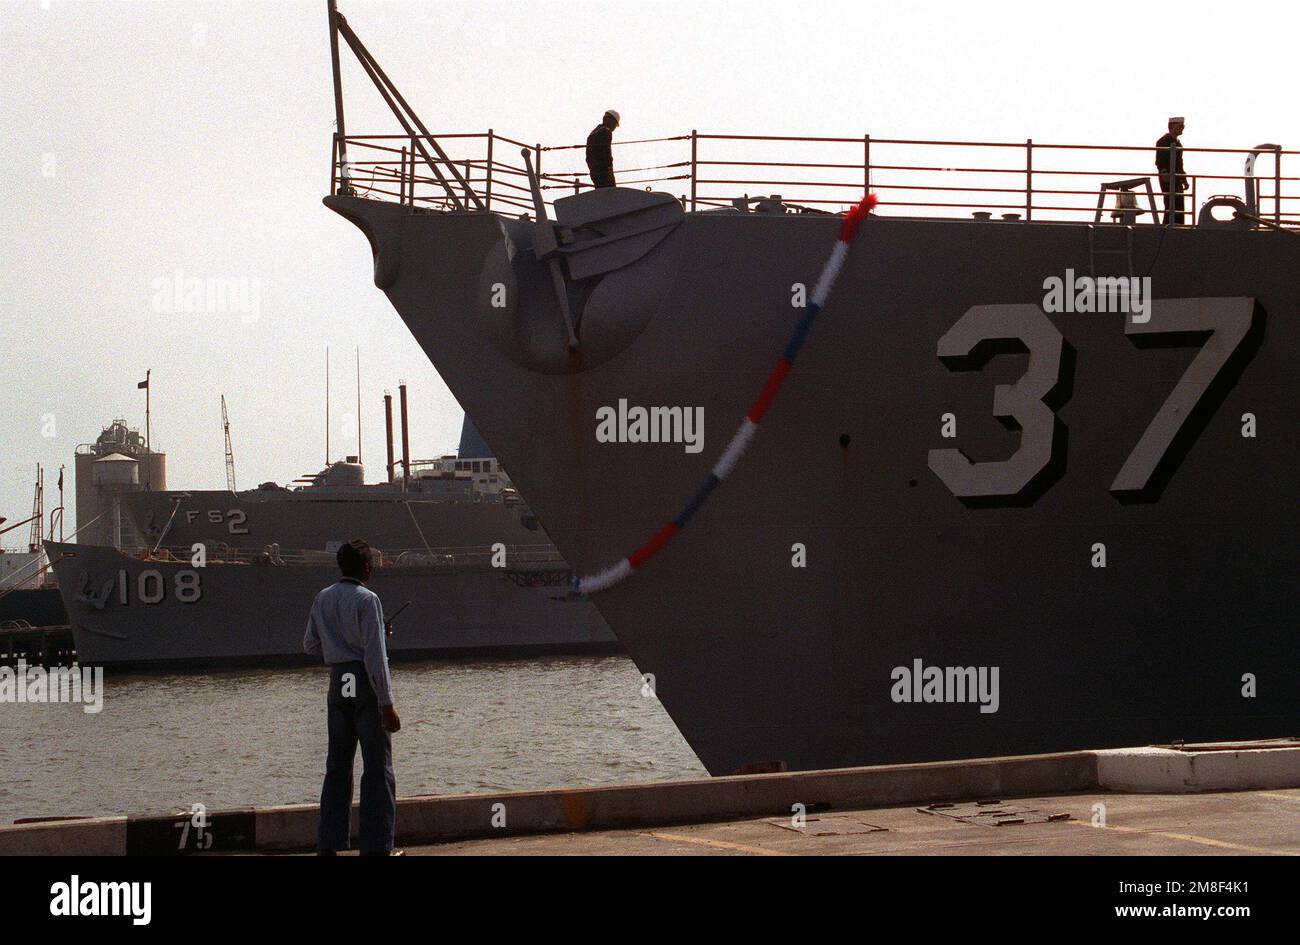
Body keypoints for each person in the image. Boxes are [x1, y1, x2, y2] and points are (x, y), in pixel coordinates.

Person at [304, 538, 402, 856]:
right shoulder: (367, 599)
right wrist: (386, 704)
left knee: (337, 765)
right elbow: (375, 656)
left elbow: (310, 644)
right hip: (362, 681)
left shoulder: (322, 597)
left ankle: (329, 844)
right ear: (365, 567)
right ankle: (378, 848)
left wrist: (338, 653)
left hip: (339, 681)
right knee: (377, 768)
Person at [1155, 116, 1187, 225]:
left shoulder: (1177, 143)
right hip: (1168, 176)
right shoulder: (1163, 141)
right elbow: (1160, 160)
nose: (1183, 128)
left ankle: (1178, 226)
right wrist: (1164, 172)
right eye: (1181, 126)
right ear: (1172, 126)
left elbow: (1179, 163)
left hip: (1176, 177)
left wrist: (1183, 179)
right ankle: (1168, 226)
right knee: (1170, 203)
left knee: (1178, 203)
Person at [586, 109, 620, 188]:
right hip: (603, 172)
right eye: (615, 124)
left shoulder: (593, 133)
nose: (614, 128)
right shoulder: (606, 131)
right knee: (611, 193)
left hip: (594, 171)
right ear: (610, 121)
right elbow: (607, 154)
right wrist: (609, 170)